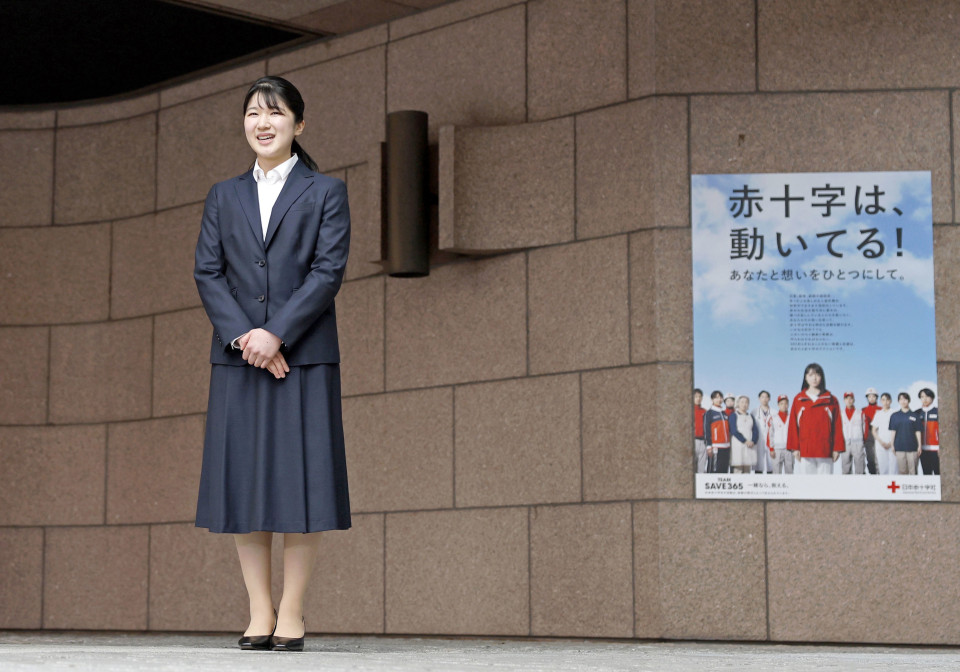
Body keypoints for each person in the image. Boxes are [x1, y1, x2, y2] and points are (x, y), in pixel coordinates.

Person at [193, 76, 352, 652]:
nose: (263, 123)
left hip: (303, 357)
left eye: (276, 113)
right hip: (240, 360)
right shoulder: (222, 195)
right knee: (245, 482)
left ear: (298, 124)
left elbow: (327, 271)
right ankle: (259, 609)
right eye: (254, 114)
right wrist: (245, 338)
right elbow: (208, 271)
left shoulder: (326, 190)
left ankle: (293, 610)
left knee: (302, 484)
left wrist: (276, 334)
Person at [786, 363, 844, 475]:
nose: (814, 378)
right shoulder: (798, 399)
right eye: (811, 375)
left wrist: (837, 448)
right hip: (805, 449)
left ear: (822, 377)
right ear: (805, 377)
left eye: (817, 374)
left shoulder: (831, 399)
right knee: (807, 483)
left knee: (825, 483)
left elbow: (837, 426)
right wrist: (794, 448)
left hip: (825, 449)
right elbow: (793, 425)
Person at [889, 392, 921, 475]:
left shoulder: (915, 415)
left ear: (909, 400)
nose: (903, 401)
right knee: (902, 471)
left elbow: (918, 431)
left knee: (913, 471)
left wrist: (919, 446)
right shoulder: (894, 416)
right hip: (899, 447)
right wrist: (892, 445)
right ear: (898, 401)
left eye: (905, 399)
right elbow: (893, 431)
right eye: (901, 399)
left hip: (913, 447)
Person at [729, 395, 758, 474]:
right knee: (738, 470)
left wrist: (753, 441)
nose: (744, 404)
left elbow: (755, 430)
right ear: (738, 403)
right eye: (742, 402)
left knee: (747, 470)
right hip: (738, 445)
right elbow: (734, 431)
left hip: (750, 446)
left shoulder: (751, 416)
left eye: (746, 402)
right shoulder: (734, 415)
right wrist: (745, 441)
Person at [703, 391, 731, 473]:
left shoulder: (724, 413)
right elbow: (706, 430)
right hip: (715, 447)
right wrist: (709, 446)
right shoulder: (709, 413)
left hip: (726, 447)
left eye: (720, 397)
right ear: (712, 399)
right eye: (716, 397)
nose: (719, 399)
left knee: (724, 470)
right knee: (714, 470)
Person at [915, 388, 940, 475]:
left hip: (935, 449)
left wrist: (941, 447)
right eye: (922, 397)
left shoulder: (938, 411)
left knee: (938, 473)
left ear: (932, 398)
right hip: (922, 449)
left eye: (927, 396)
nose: (924, 399)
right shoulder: (917, 413)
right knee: (926, 473)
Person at [840, 392, 865, 475]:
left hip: (858, 444)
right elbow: (838, 430)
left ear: (854, 400)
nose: (849, 400)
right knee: (845, 469)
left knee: (860, 469)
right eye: (847, 398)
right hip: (845, 444)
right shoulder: (840, 414)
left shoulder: (860, 413)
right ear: (844, 400)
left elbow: (864, 428)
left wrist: (863, 442)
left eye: (851, 398)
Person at [871, 393, 896, 475]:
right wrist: (881, 442)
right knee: (883, 468)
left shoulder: (895, 413)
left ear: (891, 401)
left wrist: (891, 443)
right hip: (880, 444)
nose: (885, 402)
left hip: (892, 444)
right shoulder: (878, 414)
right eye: (883, 400)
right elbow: (873, 430)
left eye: (887, 400)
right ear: (881, 401)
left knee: (894, 468)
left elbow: (898, 430)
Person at [768, 395, 794, 474]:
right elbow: (770, 435)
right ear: (778, 405)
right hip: (777, 450)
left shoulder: (792, 417)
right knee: (776, 472)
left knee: (789, 472)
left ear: (788, 405)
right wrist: (771, 449)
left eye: (786, 403)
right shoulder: (773, 418)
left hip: (789, 449)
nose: (784, 405)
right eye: (782, 403)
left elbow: (795, 434)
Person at [752, 391, 774, 474]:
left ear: (769, 399)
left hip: (770, 442)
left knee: (771, 465)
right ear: (759, 399)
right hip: (758, 441)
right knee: (758, 465)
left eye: (766, 397)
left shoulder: (774, 412)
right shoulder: (754, 412)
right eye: (762, 397)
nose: (764, 399)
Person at [861, 388, 881, 474]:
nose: (871, 398)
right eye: (869, 397)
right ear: (867, 398)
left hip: (879, 433)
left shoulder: (881, 409)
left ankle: (881, 475)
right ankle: (872, 474)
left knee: (879, 457)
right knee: (870, 457)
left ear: (876, 397)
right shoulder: (863, 410)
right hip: (868, 434)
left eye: (873, 396)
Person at [694, 389, 708, 473]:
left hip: (703, 441)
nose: (698, 398)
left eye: (700, 396)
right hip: (693, 441)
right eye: (696, 396)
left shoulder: (705, 411)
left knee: (701, 466)